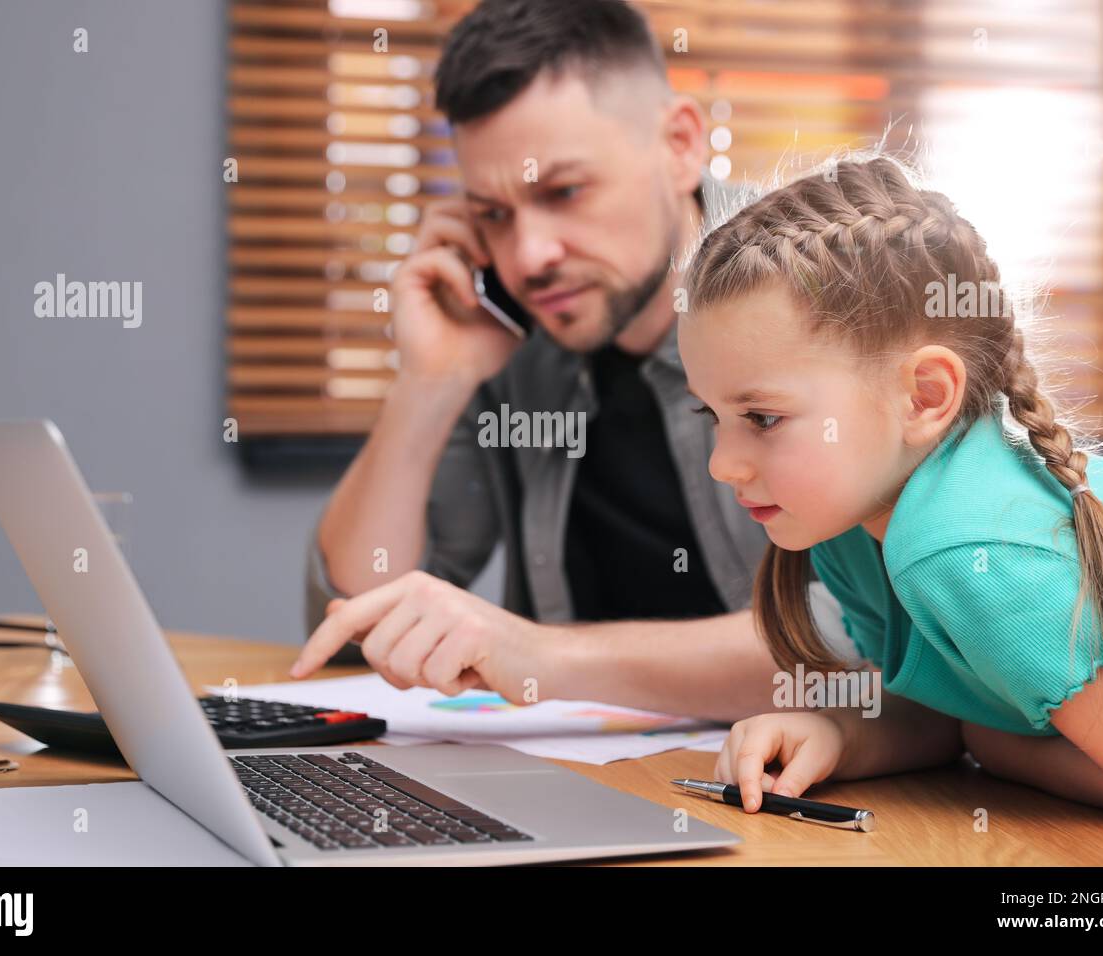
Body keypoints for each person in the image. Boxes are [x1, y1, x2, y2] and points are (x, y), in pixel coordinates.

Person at [294, 0, 856, 720]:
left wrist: (547, 660)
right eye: (492, 214)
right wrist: (430, 382)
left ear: (681, 144)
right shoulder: (512, 343)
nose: (529, 258)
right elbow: (352, 623)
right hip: (597, 773)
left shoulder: (825, 292)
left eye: (563, 192)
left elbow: (871, 646)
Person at [680, 155, 1103, 820]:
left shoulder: (964, 549)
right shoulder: (851, 525)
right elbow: (954, 706)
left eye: (762, 419)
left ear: (923, 396)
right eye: (712, 416)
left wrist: (990, 747)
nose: (722, 464)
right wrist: (840, 734)